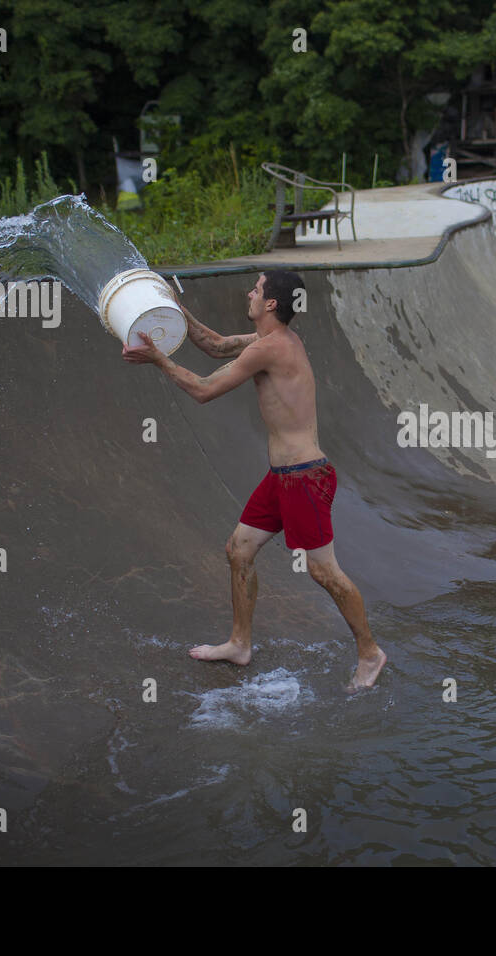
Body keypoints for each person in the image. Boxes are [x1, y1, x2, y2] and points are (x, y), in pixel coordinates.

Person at [121, 270, 387, 692]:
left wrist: (159, 359)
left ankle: (370, 653)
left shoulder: (273, 348)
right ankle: (239, 644)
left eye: (256, 289)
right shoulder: (268, 342)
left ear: (268, 305)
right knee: (239, 549)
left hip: (305, 478)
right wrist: (174, 307)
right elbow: (215, 345)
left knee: (325, 573)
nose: (250, 292)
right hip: (282, 478)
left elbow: (205, 390)